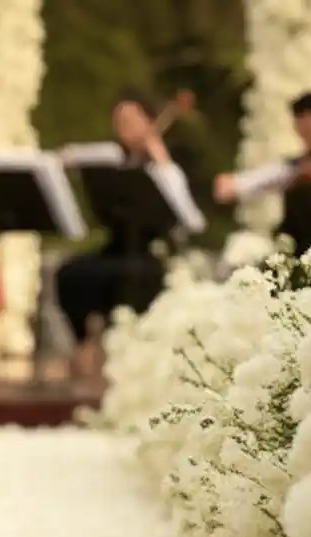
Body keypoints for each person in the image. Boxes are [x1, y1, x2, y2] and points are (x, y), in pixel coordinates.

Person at [54, 90, 206, 376]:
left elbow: (193, 221)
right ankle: (84, 345)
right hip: (118, 246)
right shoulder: (115, 159)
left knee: (132, 278)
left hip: (151, 252)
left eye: (132, 121)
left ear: (150, 122)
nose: (125, 129)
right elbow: (73, 155)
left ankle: (128, 360)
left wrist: (160, 161)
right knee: (70, 274)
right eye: (119, 122)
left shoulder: (165, 168)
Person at [213, 92, 311, 204]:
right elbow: (273, 175)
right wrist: (239, 184)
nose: (305, 141)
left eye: (309, 133)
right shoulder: (300, 166)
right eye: (301, 134)